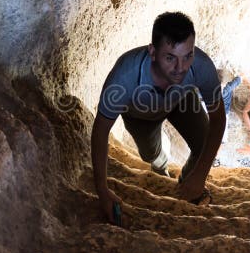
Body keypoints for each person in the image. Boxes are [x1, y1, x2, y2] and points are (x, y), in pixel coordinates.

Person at [91, 12, 226, 224]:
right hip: (140, 114)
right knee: (149, 153)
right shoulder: (125, 76)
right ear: (153, 52)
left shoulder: (200, 66)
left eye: (187, 56)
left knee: (203, 141)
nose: (180, 68)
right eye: (170, 58)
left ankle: (187, 183)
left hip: (181, 100)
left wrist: (200, 174)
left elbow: (218, 118)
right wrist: (102, 190)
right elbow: (100, 129)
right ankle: (160, 167)